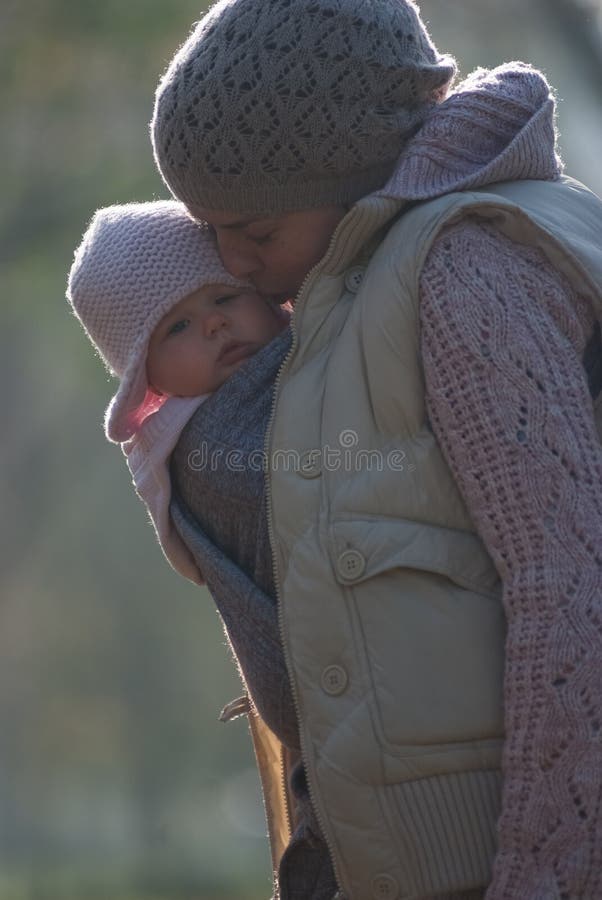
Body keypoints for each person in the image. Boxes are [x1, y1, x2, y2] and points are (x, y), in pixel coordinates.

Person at [149, 1, 602, 898]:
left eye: (256, 232)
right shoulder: (369, 283)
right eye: (211, 233)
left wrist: (548, 871)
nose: (231, 264)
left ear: (353, 176)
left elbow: (567, 587)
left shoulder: (462, 273)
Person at [66, 199, 290, 585]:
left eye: (225, 297)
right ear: (148, 379)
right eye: (178, 326)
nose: (215, 323)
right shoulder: (196, 450)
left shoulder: (325, 328)